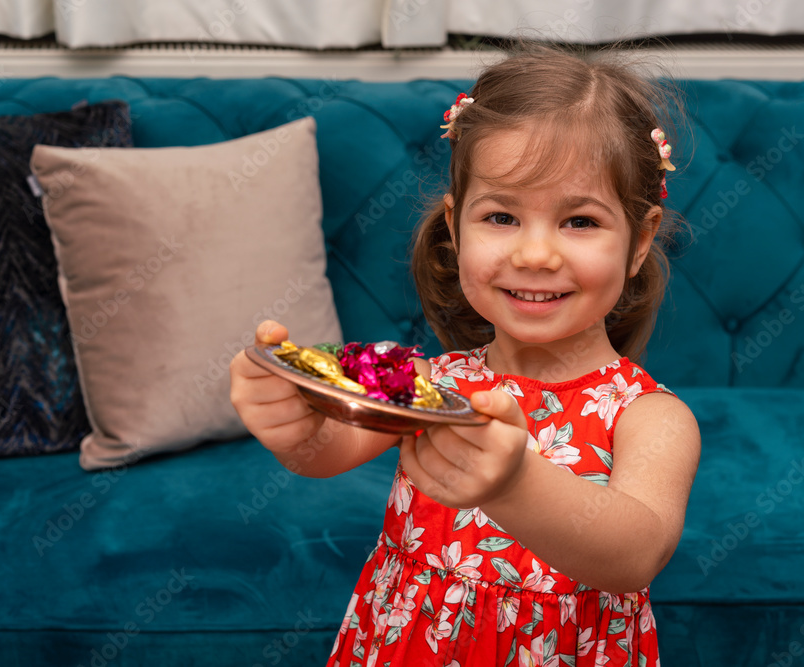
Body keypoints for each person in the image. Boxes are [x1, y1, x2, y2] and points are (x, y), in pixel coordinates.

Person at [230, 42, 700, 667]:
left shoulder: (650, 417)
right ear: (455, 229)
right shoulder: (430, 383)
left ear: (638, 242)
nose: (535, 255)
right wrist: (292, 423)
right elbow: (330, 450)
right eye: (501, 216)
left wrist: (514, 482)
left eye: (580, 222)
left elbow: (634, 553)